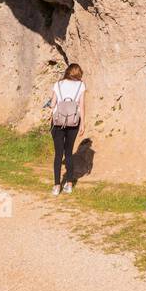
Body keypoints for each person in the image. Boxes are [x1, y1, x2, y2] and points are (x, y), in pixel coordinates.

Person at [48, 63, 86, 196]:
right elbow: (81, 106)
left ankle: (56, 186)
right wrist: (83, 124)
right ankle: (69, 184)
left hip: (58, 121)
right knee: (69, 153)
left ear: (67, 72)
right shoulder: (81, 85)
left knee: (58, 154)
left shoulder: (58, 84)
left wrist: (49, 103)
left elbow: (52, 104)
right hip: (73, 122)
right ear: (78, 73)